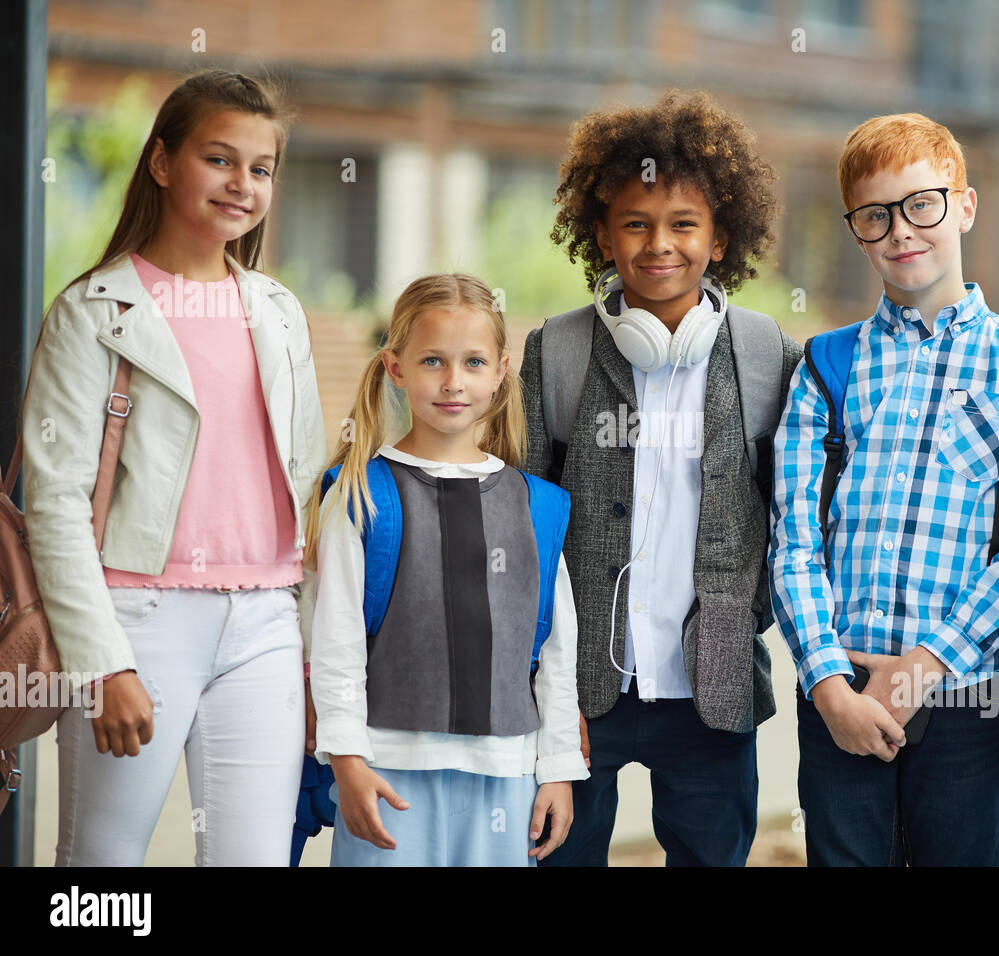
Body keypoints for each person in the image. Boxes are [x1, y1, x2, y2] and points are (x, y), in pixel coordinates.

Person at [23, 70, 327, 866]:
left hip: (264, 620)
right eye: (219, 160)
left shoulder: (279, 309)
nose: (242, 184)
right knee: (102, 866)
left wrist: (313, 649)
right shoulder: (92, 311)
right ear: (161, 162)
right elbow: (54, 502)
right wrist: (104, 661)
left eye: (260, 169)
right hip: (139, 620)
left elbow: (306, 480)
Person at [769, 112, 999, 866]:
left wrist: (928, 665)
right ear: (857, 231)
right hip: (844, 693)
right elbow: (795, 540)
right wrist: (829, 684)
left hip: (967, 697)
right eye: (876, 216)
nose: (901, 231)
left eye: (921, 204)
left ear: (962, 205)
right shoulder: (826, 367)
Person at [519, 90, 802, 866]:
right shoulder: (559, 352)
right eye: (635, 224)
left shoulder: (765, 354)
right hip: (581, 691)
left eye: (683, 224)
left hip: (711, 690)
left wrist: (747, 614)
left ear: (720, 238)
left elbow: (795, 510)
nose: (658, 244)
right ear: (602, 236)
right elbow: (524, 522)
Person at [308, 274, 587, 866]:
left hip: (506, 774)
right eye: (433, 360)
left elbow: (557, 653)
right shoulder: (360, 493)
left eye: (473, 362)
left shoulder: (537, 506)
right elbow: (334, 643)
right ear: (396, 365)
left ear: (501, 371)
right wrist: (347, 760)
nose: (454, 382)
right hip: (387, 770)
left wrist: (558, 769)